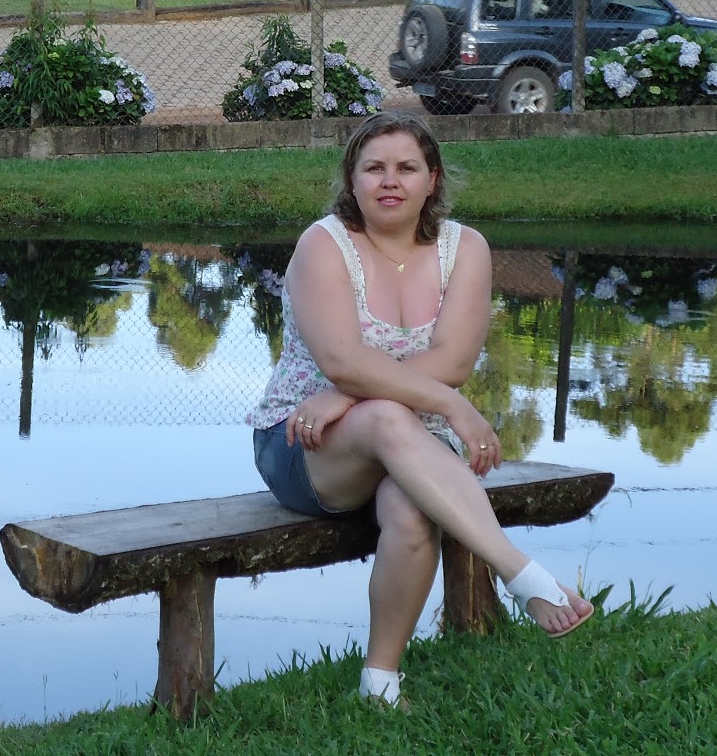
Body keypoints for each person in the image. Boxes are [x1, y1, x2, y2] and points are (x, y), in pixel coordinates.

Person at [246, 110, 593, 708]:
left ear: (432, 179)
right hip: (309, 445)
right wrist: (446, 407)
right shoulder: (324, 245)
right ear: (350, 180)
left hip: (415, 446)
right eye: (373, 168)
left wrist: (358, 391)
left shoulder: (466, 249)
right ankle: (522, 574)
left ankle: (379, 679)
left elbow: (454, 360)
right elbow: (342, 359)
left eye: (407, 168)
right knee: (384, 417)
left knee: (410, 513)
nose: (390, 181)